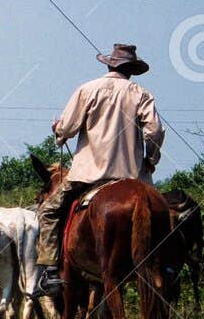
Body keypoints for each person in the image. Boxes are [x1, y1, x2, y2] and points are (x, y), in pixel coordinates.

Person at [33, 43, 164, 297]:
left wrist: (58, 130)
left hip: (88, 175)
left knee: (48, 212)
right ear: (131, 70)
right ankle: (164, 266)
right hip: (132, 175)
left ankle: (49, 272)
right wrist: (151, 157)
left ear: (109, 64)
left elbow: (67, 128)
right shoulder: (141, 94)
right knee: (162, 213)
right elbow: (156, 131)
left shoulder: (88, 90)